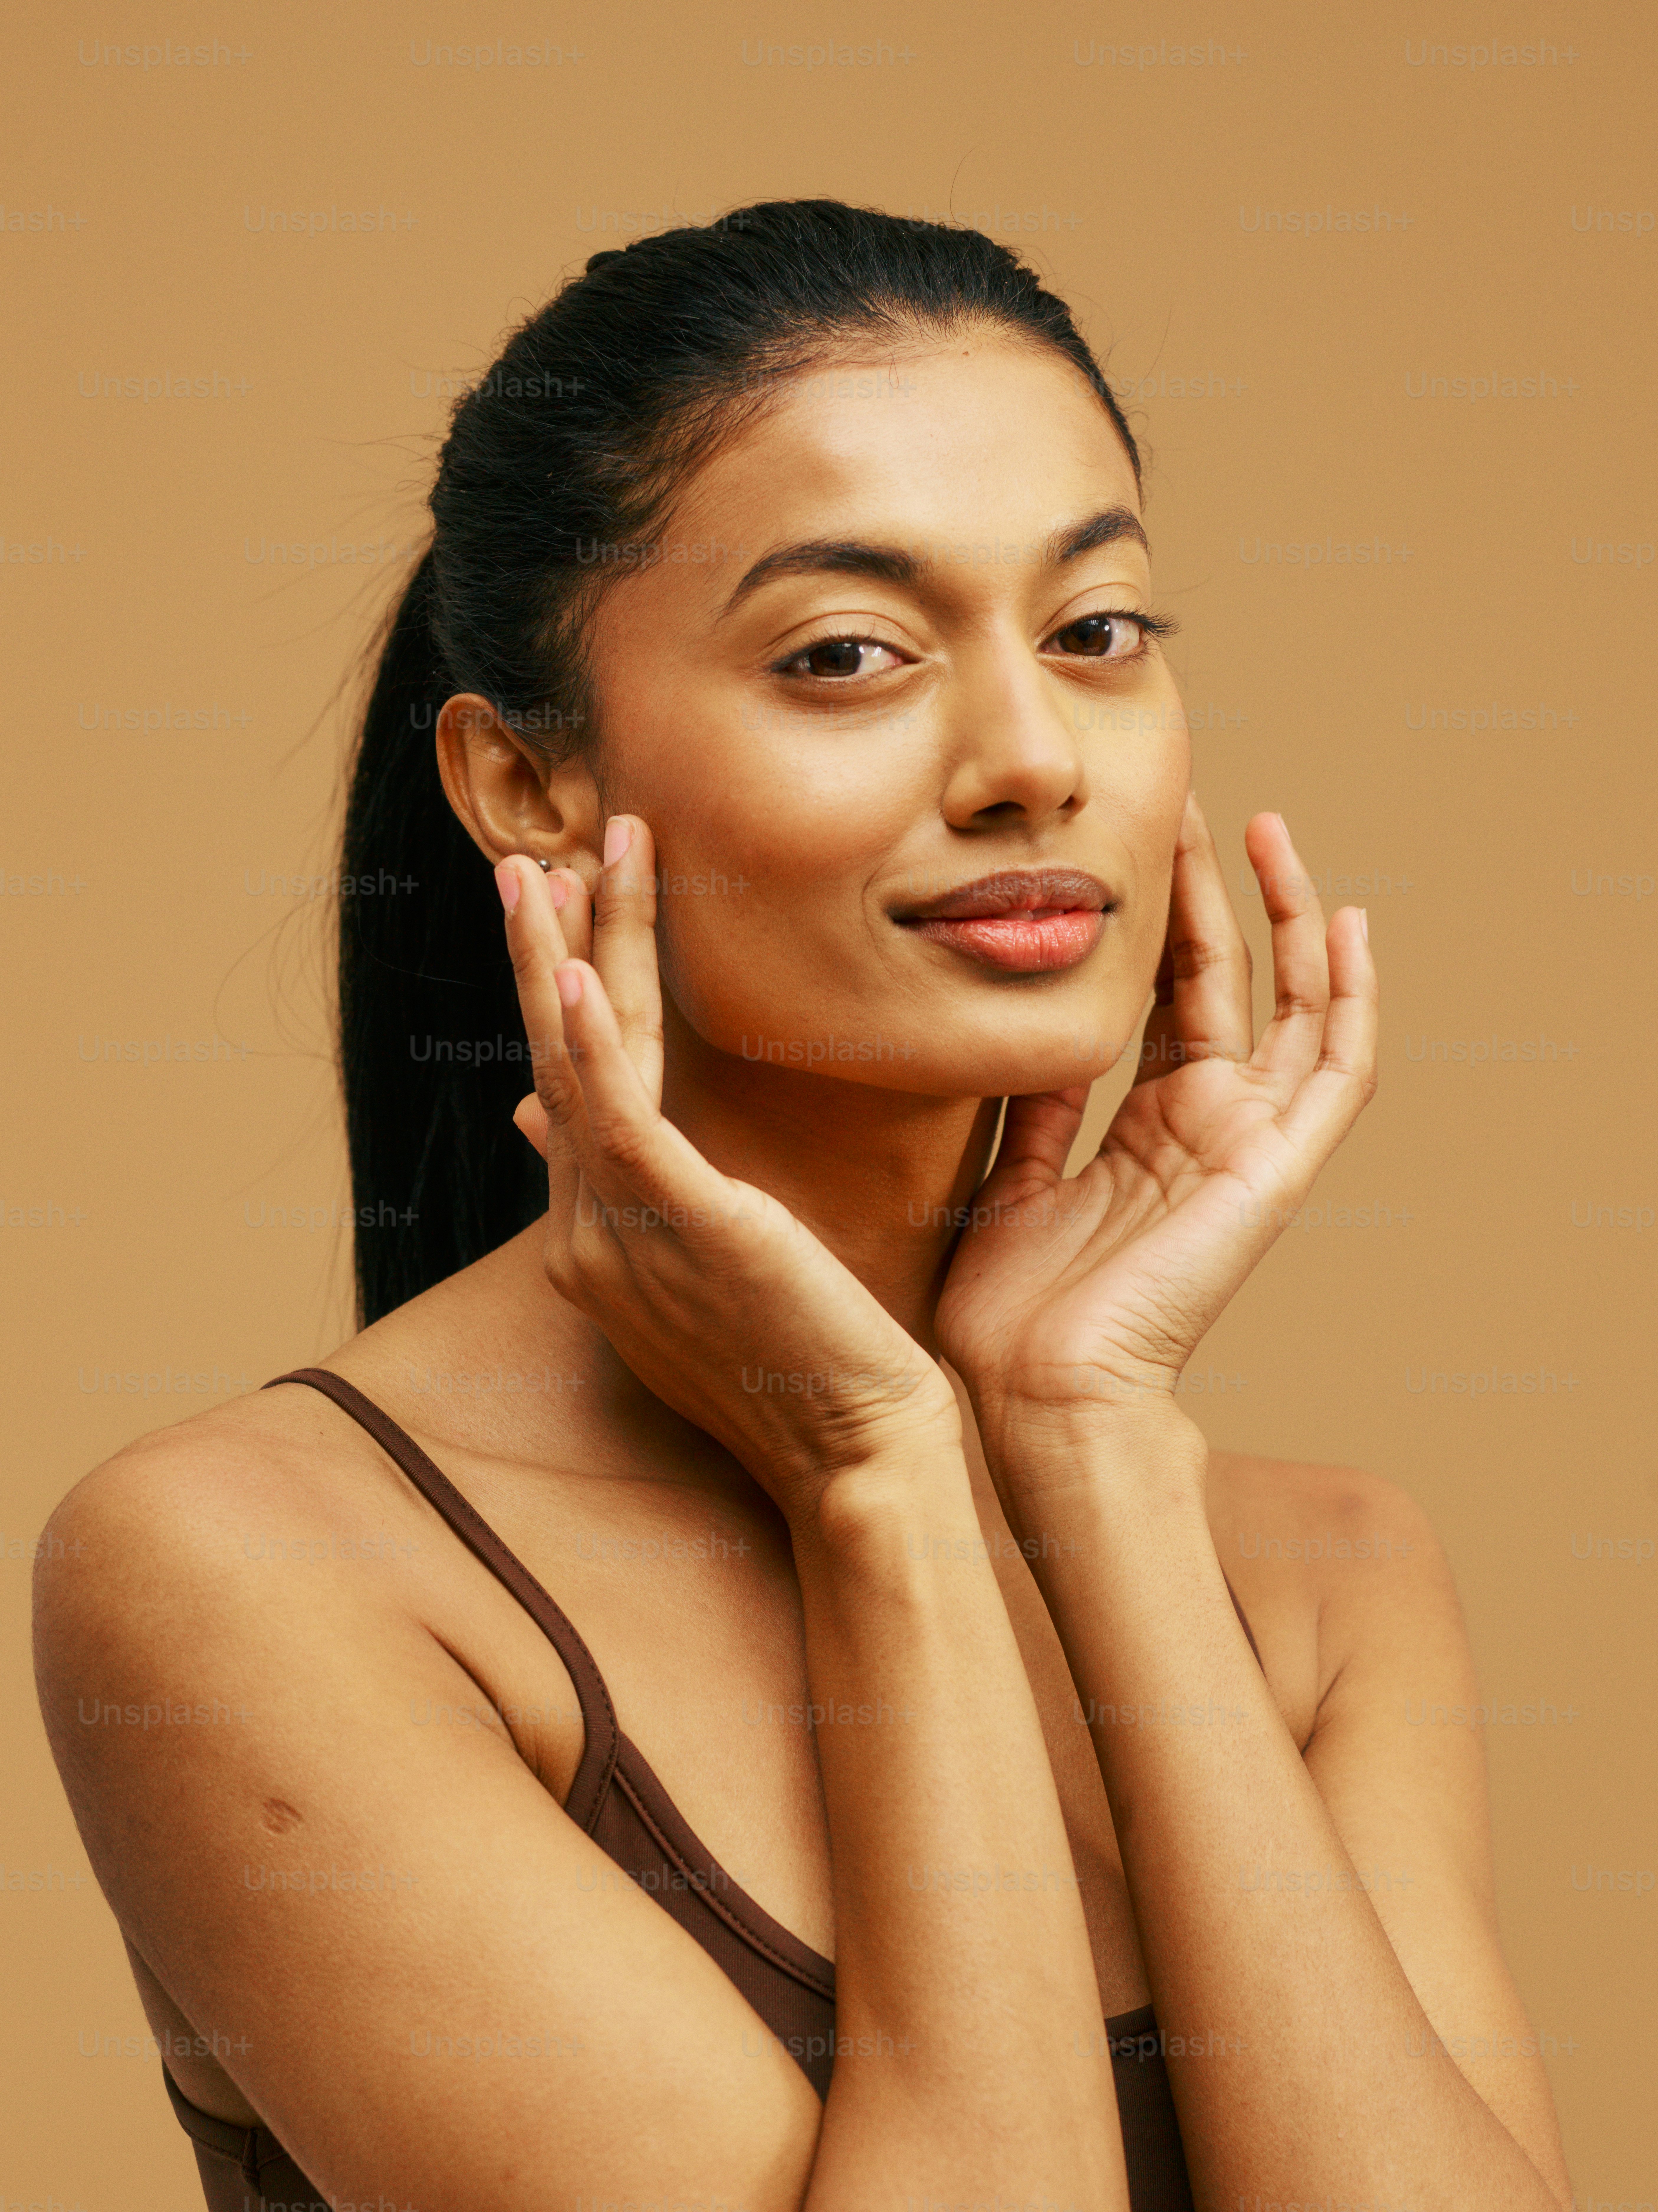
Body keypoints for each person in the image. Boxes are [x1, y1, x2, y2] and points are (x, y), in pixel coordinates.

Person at [34, 200, 1572, 2212]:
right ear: (522, 787)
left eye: (1095, 632)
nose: (1032, 757)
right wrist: (881, 1484)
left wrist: (1081, 1445)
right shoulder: (247, 1579)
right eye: (847, 654)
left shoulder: (1316, 1579)